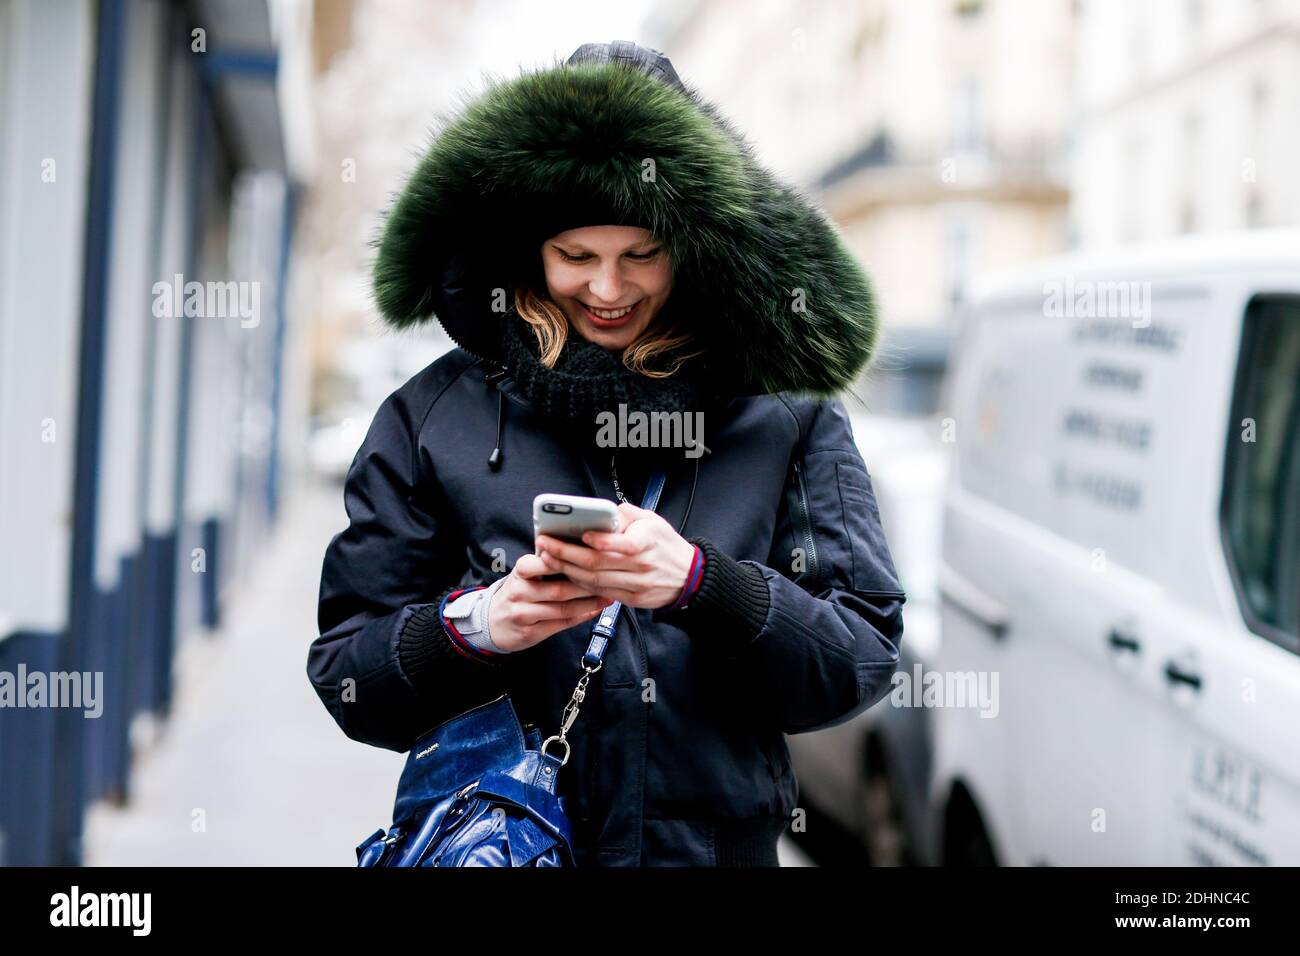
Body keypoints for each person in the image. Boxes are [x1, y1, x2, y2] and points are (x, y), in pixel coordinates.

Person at [308, 40, 907, 867]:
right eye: (576, 257)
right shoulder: (434, 418)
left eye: (641, 256)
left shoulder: (782, 413)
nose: (608, 290)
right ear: (527, 253)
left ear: (693, 250)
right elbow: (348, 678)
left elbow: (861, 657)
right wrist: (475, 626)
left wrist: (706, 586)